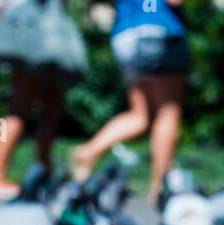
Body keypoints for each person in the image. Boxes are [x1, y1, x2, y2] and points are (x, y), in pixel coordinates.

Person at [70, 0, 189, 202]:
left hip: (125, 34)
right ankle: (161, 187)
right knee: (168, 110)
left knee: (140, 116)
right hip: (158, 29)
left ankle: (88, 151)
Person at [0, 0, 86, 199]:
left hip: (38, 33)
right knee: (20, 108)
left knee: (51, 105)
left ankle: (44, 174)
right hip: (37, 34)